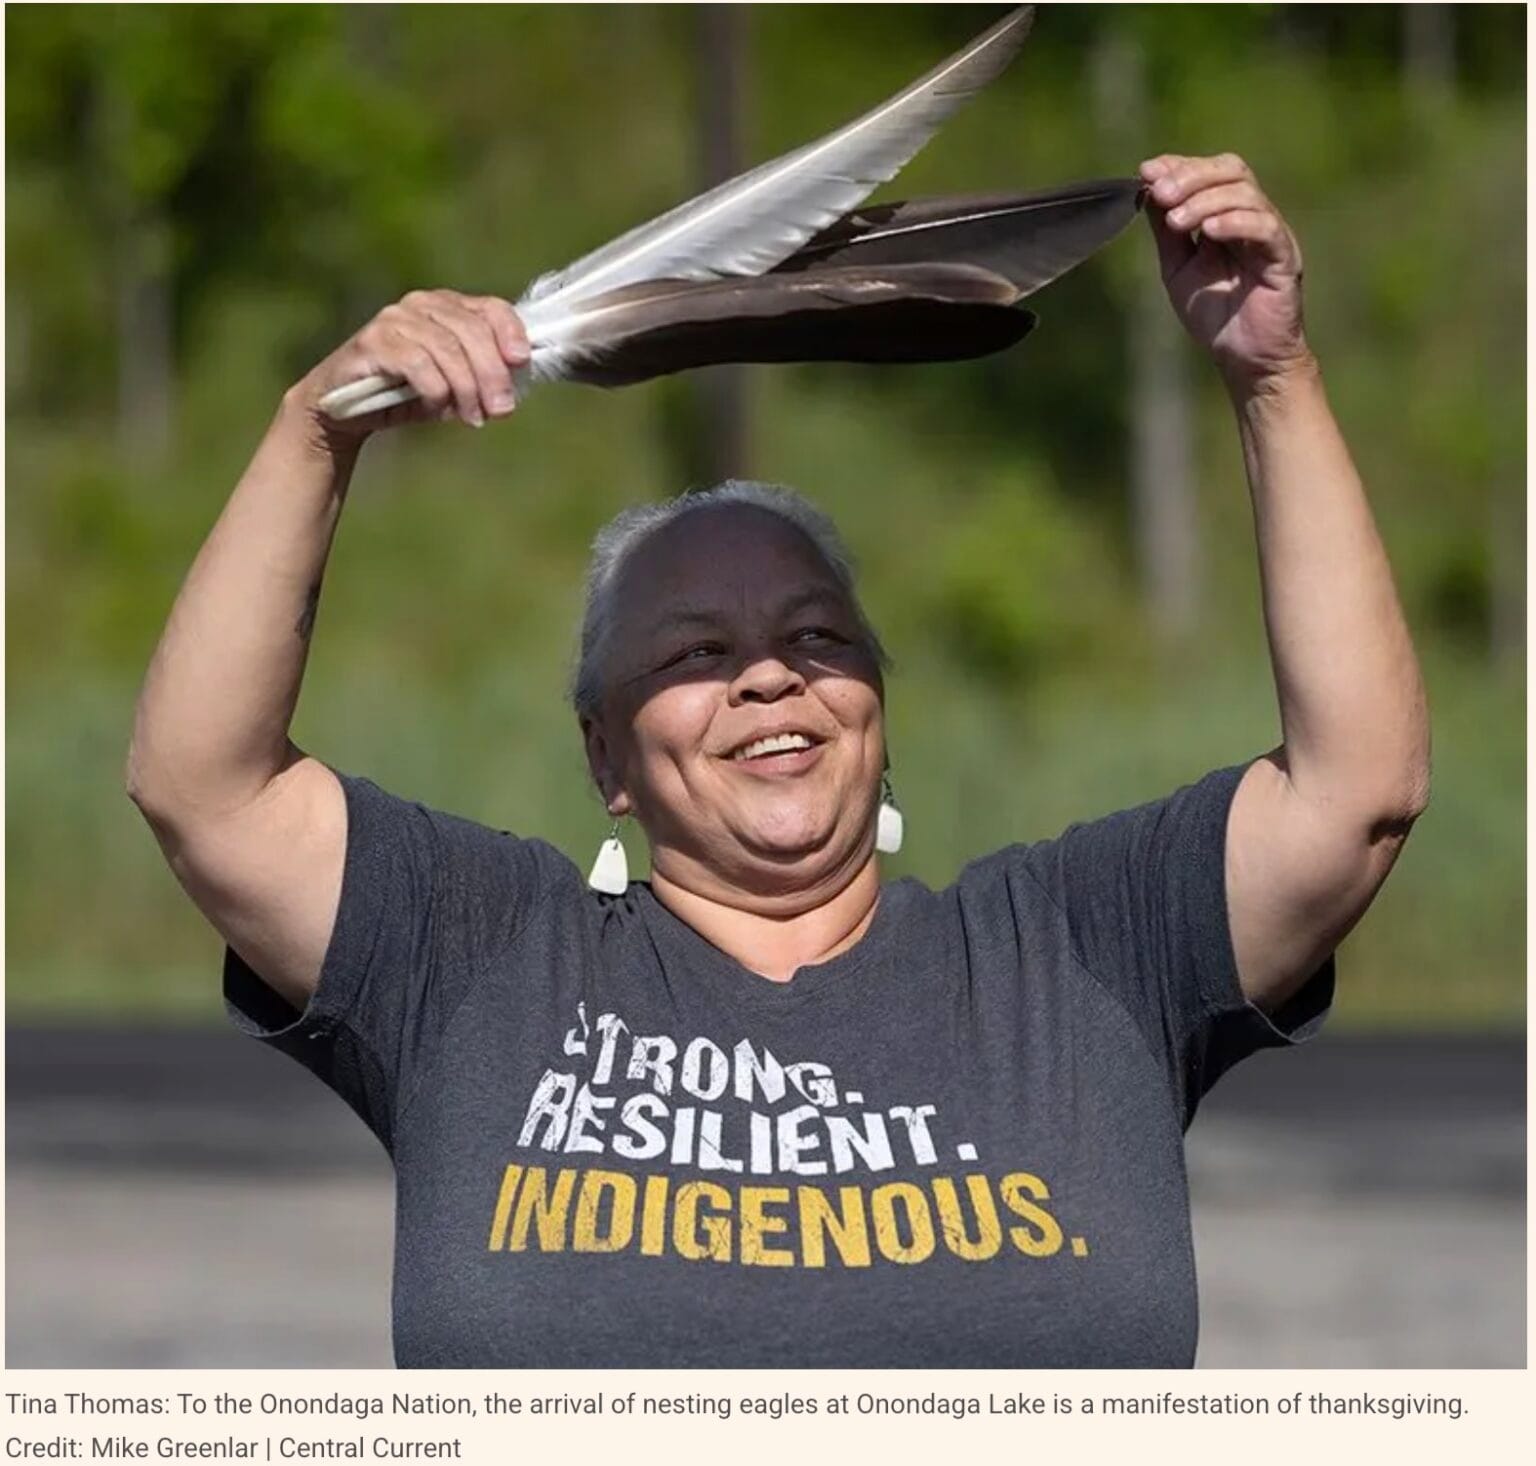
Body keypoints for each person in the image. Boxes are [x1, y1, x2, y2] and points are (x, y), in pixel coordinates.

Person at [127, 153, 1429, 1368]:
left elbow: (1355, 795)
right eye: (695, 651)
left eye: (817, 635)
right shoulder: (477, 957)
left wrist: (1272, 379)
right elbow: (206, 790)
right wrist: (317, 428)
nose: (767, 672)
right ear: (607, 756)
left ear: (878, 705)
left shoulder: (1080, 947)